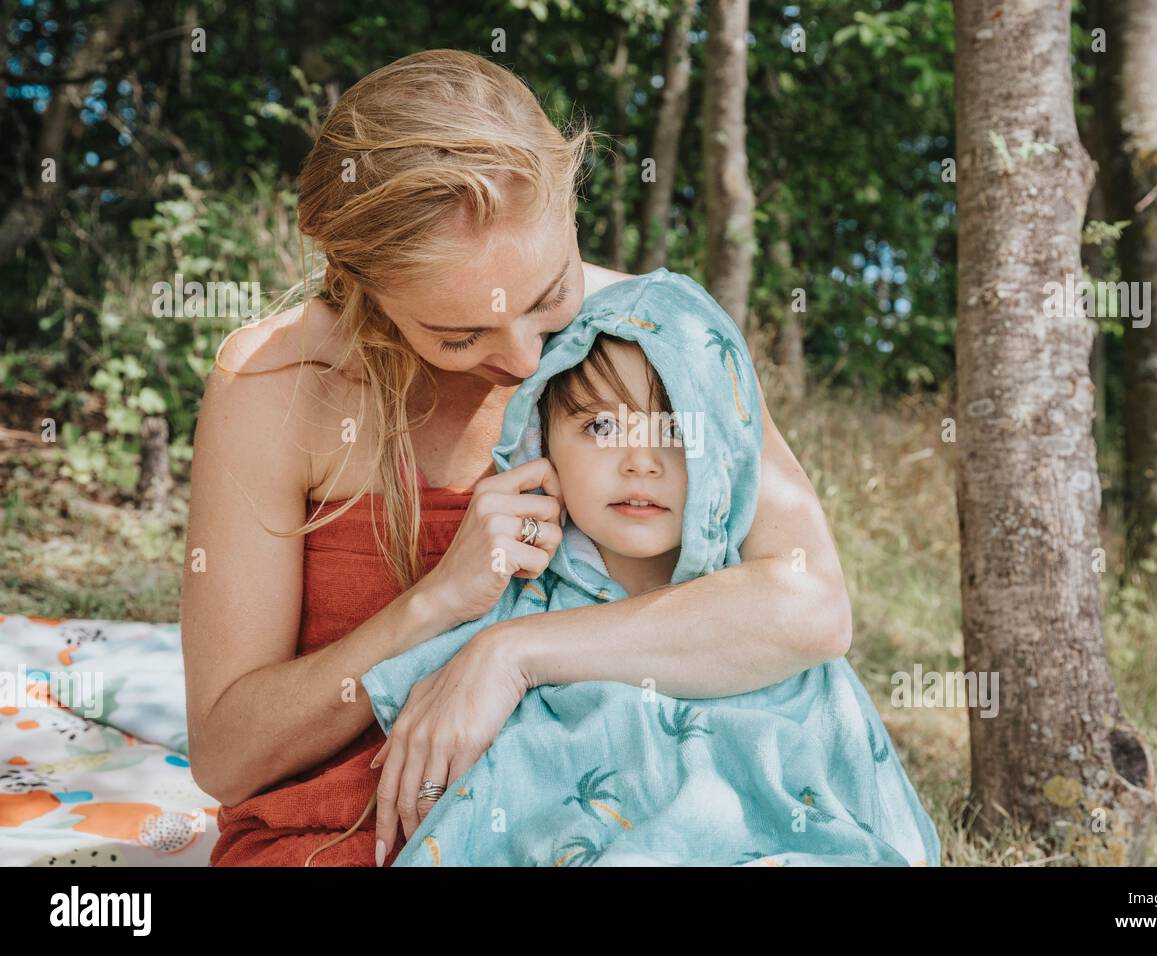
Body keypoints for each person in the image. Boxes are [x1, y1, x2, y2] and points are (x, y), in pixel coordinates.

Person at [184, 49, 855, 867]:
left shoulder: (648, 334)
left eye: (550, 299)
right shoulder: (279, 383)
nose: (523, 356)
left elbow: (811, 604)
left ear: (570, 203)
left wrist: (510, 656)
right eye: (457, 336)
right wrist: (434, 606)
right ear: (361, 283)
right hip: (350, 841)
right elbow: (227, 756)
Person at [313, 271, 941, 866]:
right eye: (601, 425)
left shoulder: (761, 616)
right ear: (540, 442)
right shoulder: (510, 603)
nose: (641, 461)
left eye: (675, 428)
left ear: (721, 452)